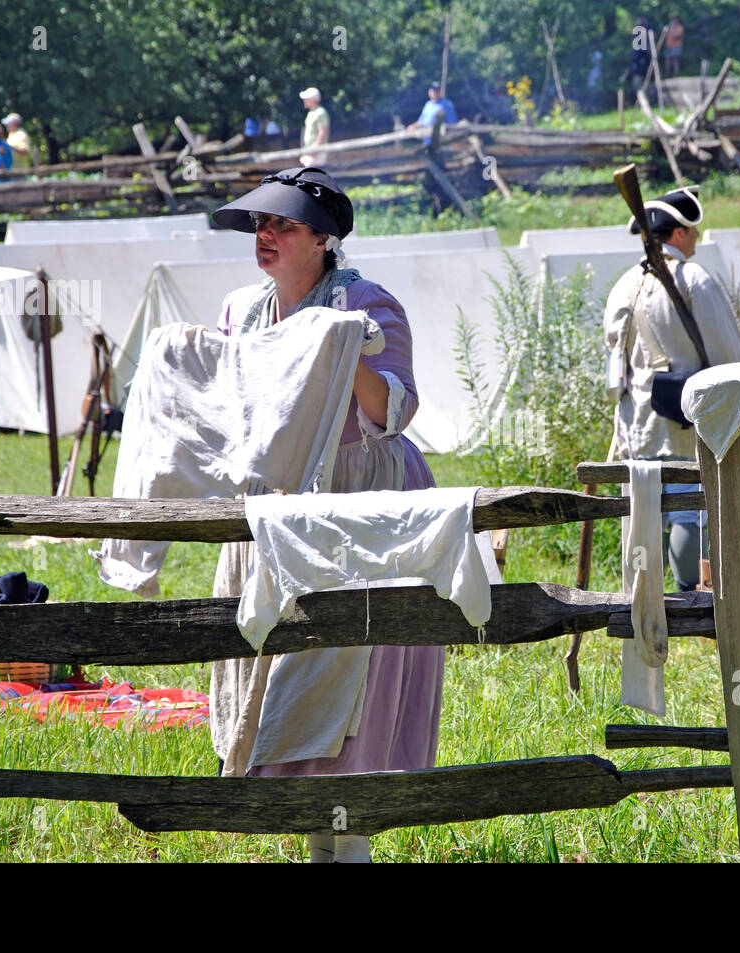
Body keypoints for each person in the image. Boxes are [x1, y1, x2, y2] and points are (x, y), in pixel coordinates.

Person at [208, 167, 441, 863]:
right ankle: (315, 839)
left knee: (350, 682)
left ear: (323, 238)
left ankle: (348, 847)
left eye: (282, 224)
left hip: (359, 507)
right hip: (278, 507)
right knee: (275, 666)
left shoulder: (369, 303)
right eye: (260, 224)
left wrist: (342, 343)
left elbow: (390, 411)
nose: (265, 235)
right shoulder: (241, 311)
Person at [604, 186, 740, 592]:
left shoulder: (623, 285)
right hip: (685, 416)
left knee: (642, 512)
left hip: (635, 423)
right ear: (679, 233)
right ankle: (689, 593)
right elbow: (728, 354)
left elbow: (614, 358)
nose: (697, 238)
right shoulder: (693, 278)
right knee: (687, 510)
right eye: (692, 231)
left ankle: (640, 596)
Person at [298, 87, 330, 166]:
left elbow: (323, 131)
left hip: (316, 152)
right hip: (310, 151)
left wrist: (315, 150)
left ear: (312, 99)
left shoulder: (320, 112)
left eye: (306, 98)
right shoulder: (311, 113)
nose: (304, 101)